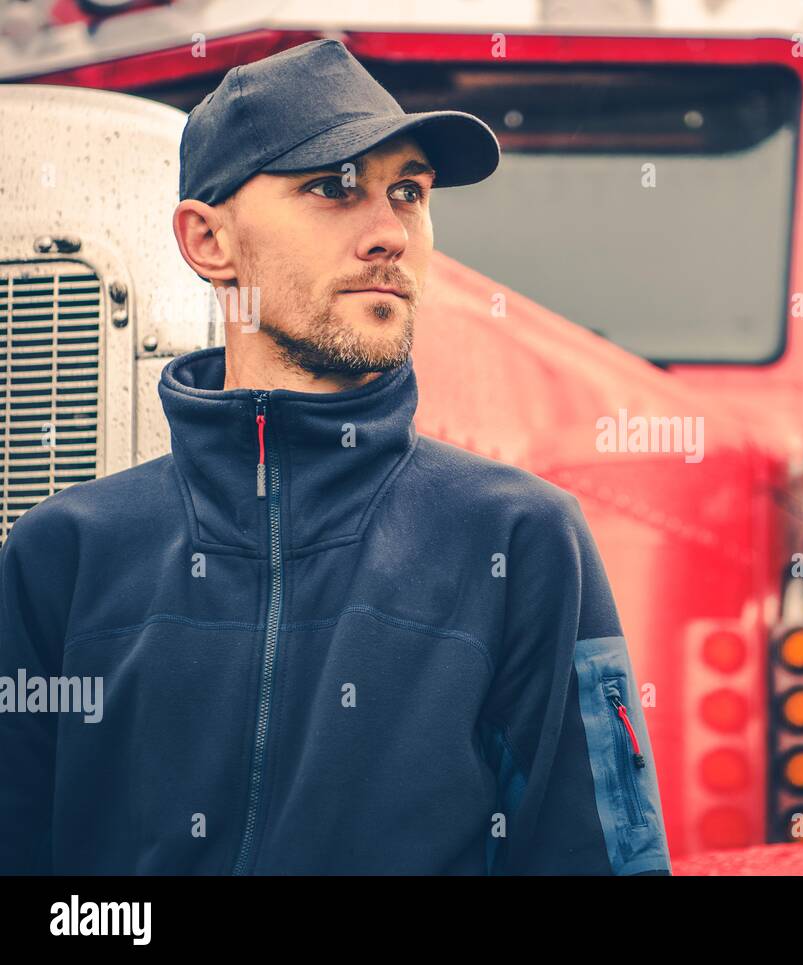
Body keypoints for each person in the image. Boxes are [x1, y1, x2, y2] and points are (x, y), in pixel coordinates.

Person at [0, 38, 671, 876]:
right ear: (209, 241)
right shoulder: (60, 556)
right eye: (333, 187)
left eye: (408, 192)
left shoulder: (520, 539)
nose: (390, 233)